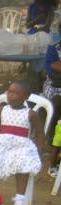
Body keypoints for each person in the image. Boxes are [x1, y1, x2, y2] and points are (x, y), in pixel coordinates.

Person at [42, 23, 61, 177]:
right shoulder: (54, 49)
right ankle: (52, 133)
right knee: (56, 101)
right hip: (55, 85)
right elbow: (52, 69)